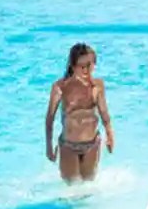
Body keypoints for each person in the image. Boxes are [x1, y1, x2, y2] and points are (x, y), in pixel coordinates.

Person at [45, 43, 114, 183]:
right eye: (81, 66)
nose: (86, 70)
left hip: (92, 144)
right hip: (68, 146)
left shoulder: (98, 86)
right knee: (73, 189)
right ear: (72, 65)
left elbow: (104, 113)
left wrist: (110, 135)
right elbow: (49, 119)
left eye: (90, 65)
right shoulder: (61, 87)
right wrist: (49, 146)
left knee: (88, 188)